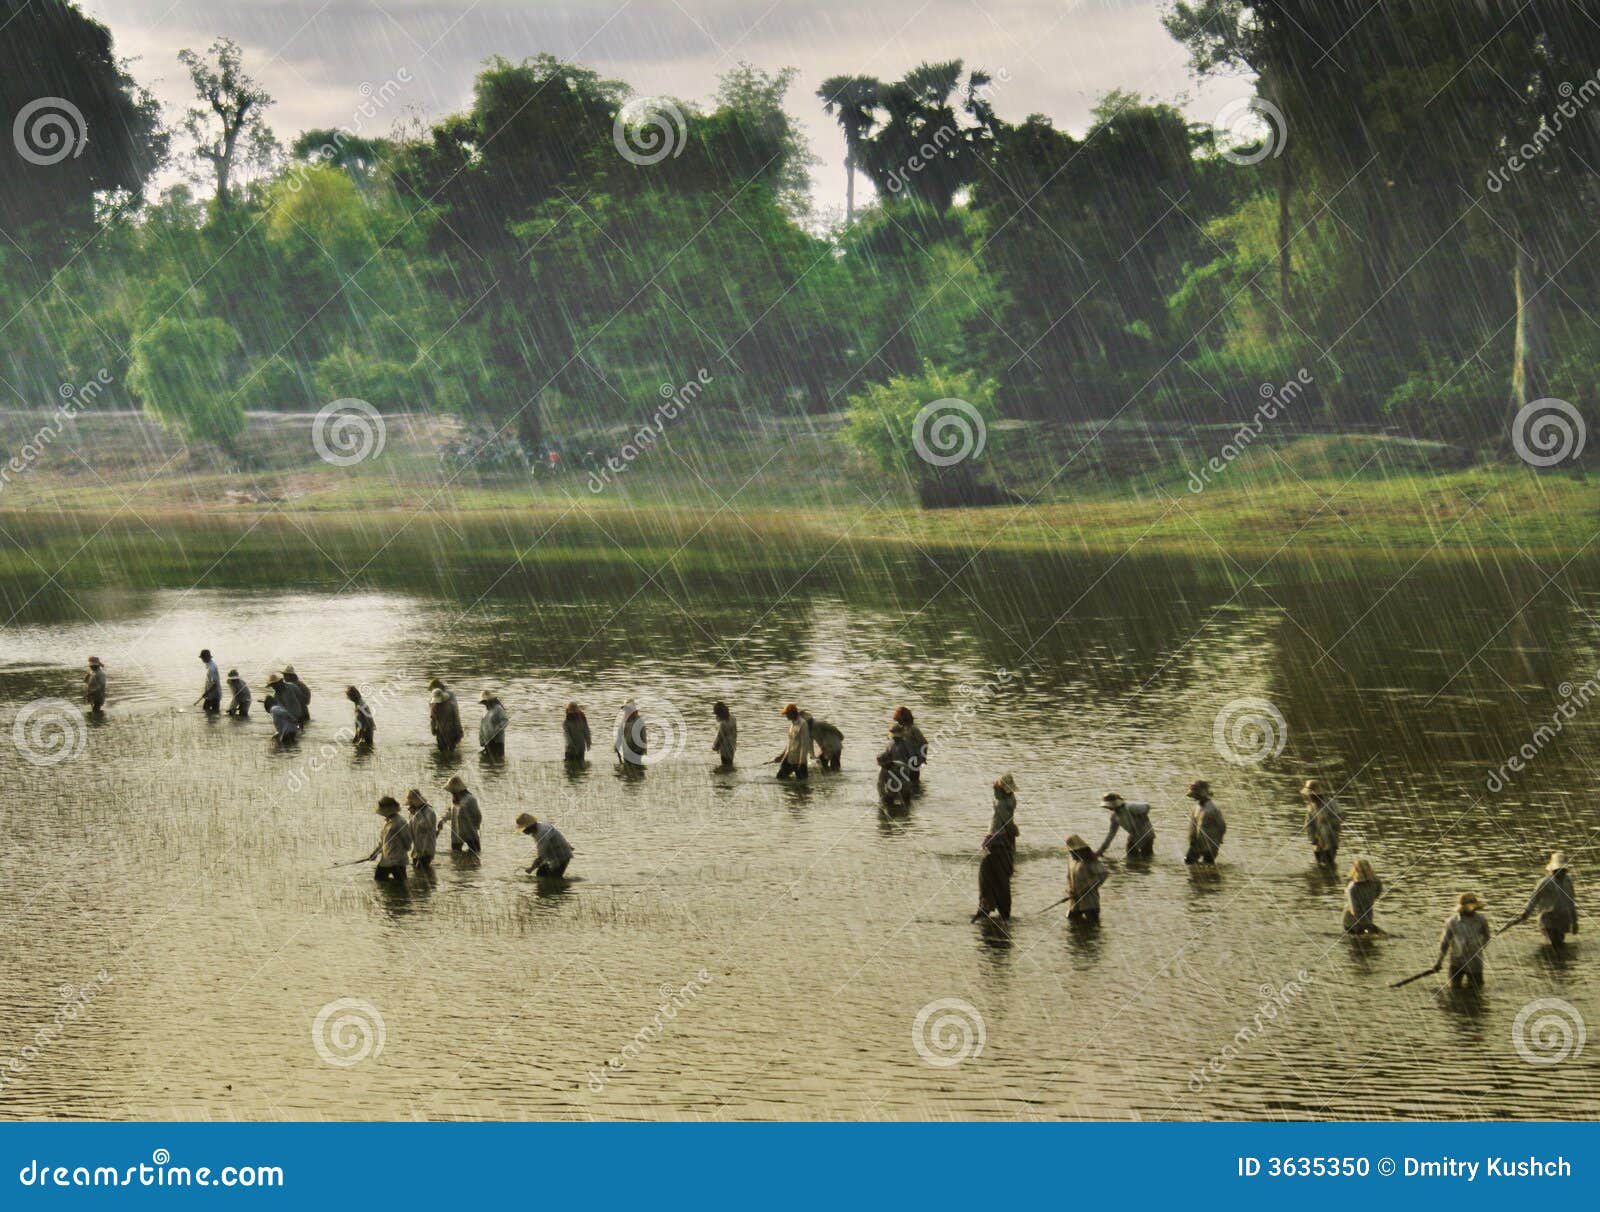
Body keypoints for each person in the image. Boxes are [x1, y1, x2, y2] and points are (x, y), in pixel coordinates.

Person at [1510, 851, 1578, 946]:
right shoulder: (1544, 882)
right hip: (1548, 919)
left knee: (1560, 943)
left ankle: (1554, 957)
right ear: (1552, 870)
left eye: (1562, 870)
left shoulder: (1568, 881)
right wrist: (1526, 912)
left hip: (1563, 918)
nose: (1560, 873)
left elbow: (1571, 902)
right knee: (1555, 943)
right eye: (1557, 870)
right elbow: (1534, 898)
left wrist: (1574, 922)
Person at [1434, 892, 1491, 987]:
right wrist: (1439, 962)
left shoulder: (1481, 920)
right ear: (1463, 906)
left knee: (1477, 989)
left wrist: (1479, 947)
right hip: (1457, 961)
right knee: (1454, 989)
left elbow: (1487, 937)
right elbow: (1444, 943)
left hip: (1475, 961)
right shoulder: (1452, 921)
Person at [972, 820, 1019, 923]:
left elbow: (985, 845)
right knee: (1003, 911)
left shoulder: (992, 851)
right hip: (996, 866)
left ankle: (984, 917)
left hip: (991, 866)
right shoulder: (1005, 847)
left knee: (986, 907)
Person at [1064, 834, 1109, 923]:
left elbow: (1103, 875)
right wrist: (1069, 891)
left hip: (1090, 902)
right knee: (1072, 921)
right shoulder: (1071, 862)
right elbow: (1069, 877)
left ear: (1080, 850)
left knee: (1093, 926)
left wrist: (1086, 888)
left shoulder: (1090, 861)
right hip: (1075, 900)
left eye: (1073, 851)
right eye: (1071, 851)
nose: (1071, 853)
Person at [365, 797, 411, 882]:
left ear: (387, 809)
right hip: (387, 860)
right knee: (380, 880)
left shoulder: (400, 822)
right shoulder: (388, 822)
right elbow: (383, 842)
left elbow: (407, 842)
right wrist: (375, 853)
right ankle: (391, 893)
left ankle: (393, 893)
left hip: (396, 861)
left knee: (400, 884)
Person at [1097, 792, 1155, 858]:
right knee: (1130, 854)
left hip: (1146, 835)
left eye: (1109, 806)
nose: (1108, 808)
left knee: (1146, 855)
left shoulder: (1130, 807)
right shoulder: (1114, 817)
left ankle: (1144, 865)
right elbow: (1111, 834)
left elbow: (1147, 806)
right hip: (1133, 836)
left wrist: (1143, 816)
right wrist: (1101, 850)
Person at [516, 813, 573, 878]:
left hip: (562, 857)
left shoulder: (542, 833)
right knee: (541, 873)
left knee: (553, 878)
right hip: (554, 855)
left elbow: (541, 856)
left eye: (523, 829)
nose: (523, 832)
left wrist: (531, 869)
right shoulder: (540, 827)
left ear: (529, 827)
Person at [1303, 778, 1343, 868]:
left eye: (1311, 795)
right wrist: (1312, 839)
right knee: (1320, 863)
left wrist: (1328, 820)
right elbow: (1308, 824)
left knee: (1329, 862)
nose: (1309, 797)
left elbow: (1341, 816)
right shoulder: (1311, 807)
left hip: (1330, 839)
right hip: (1318, 840)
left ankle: (1330, 874)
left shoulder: (1331, 803)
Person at [1185, 781, 1226, 864]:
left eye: (1195, 795)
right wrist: (1192, 838)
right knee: (1188, 860)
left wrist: (1219, 840)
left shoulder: (1213, 809)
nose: (1194, 798)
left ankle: (1208, 875)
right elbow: (1193, 825)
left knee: (1208, 863)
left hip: (1210, 843)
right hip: (1197, 842)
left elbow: (1222, 826)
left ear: (1200, 794)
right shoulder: (1196, 807)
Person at [441, 775, 482, 853]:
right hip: (456, 833)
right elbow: (451, 811)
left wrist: (476, 826)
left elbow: (477, 815)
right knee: (456, 856)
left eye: (452, 791)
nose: (451, 793)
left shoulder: (470, 799)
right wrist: (443, 820)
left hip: (470, 832)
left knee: (475, 853)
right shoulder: (455, 799)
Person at [1343, 858, 1383, 935]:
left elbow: (1377, 893)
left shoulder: (1375, 882)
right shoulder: (1353, 888)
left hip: (1364, 919)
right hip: (1352, 922)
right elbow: (1354, 911)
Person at [876, 724, 913, 806]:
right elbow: (880, 784)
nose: (894, 735)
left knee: (903, 797)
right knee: (893, 798)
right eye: (893, 732)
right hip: (896, 772)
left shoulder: (904, 744)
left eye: (895, 732)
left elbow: (912, 757)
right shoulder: (891, 744)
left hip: (901, 772)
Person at [774, 703, 810, 780]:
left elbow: (805, 744)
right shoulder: (792, 725)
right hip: (789, 758)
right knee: (780, 778)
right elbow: (789, 743)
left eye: (787, 714)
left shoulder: (803, 724)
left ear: (792, 713)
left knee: (803, 785)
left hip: (799, 760)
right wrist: (781, 756)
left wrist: (802, 761)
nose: (786, 716)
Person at [405, 789, 438, 871]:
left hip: (426, 849)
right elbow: (409, 830)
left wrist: (417, 814)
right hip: (417, 850)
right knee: (418, 872)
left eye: (411, 804)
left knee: (421, 870)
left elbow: (426, 826)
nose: (409, 807)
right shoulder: (413, 813)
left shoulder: (429, 811)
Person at [893, 707, 929, 782]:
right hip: (901, 762)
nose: (895, 714)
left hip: (912, 763)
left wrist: (921, 759)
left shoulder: (913, 729)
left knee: (913, 784)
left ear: (903, 716)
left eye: (897, 713)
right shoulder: (897, 728)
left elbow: (924, 743)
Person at [430, 683, 463, 752]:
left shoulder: (434, 707)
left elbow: (433, 721)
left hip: (443, 733)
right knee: (451, 751)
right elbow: (456, 720)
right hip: (450, 732)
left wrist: (433, 730)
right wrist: (460, 731)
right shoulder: (451, 705)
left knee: (443, 751)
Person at [615, 700, 646, 765]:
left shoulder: (639, 722)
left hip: (637, 753)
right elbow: (619, 736)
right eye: (626, 710)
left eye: (629, 710)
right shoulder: (623, 721)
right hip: (626, 752)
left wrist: (638, 752)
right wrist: (617, 747)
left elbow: (643, 740)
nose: (627, 712)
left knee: (636, 770)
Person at [711, 701, 737, 769]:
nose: (716, 716)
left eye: (716, 714)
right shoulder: (733, 718)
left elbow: (720, 737)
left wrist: (715, 747)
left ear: (719, 714)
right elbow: (735, 732)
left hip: (725, 749)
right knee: (729, 764)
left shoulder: (723, 724)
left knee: (725, 766)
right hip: (732, 746)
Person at [198, 649, 222, 714]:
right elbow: (209, 682)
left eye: (202, 658)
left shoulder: (212, 668)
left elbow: (215, 684)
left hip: (214, 695)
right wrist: (206, 692)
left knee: (215, 713)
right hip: (210, 694)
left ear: (206, 657)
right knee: (206, 709)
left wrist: (207, 692)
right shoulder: (209, 665)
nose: (202, 659)